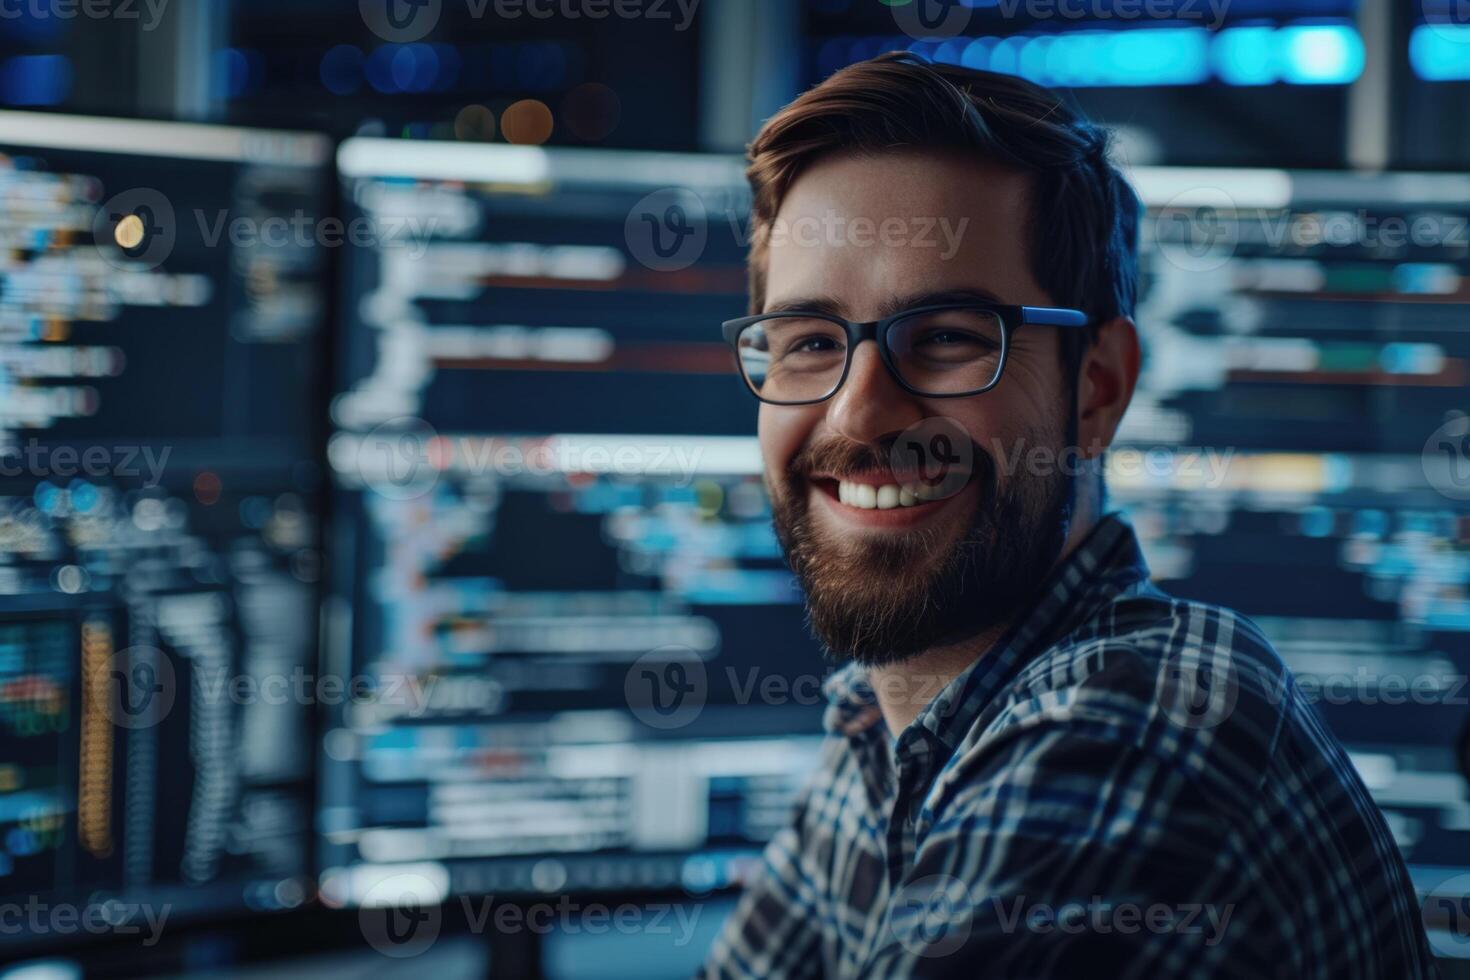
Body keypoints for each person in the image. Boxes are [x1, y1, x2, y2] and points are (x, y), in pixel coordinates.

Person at [699, 52, 1438, 979]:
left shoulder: (1135, 725)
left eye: (950, 338)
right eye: (809, 342)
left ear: (1097, 388)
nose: (857, 413)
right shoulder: (886, 723)